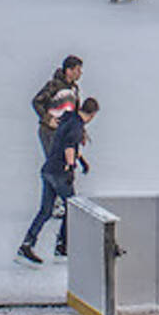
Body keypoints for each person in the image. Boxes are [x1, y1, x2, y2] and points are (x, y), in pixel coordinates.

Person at [18, 94, 99, 265]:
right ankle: (61, 247)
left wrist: (81, 160)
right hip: (60, 173)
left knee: (45, 210)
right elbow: (69, 147)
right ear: (92, 115)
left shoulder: (69, 118)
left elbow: (66, 142)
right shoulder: (77, 126)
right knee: (71, 207)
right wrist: (71, 168)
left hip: (48, 170)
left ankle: (26, 245)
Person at [31, 55, 83, 159]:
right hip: (50, 131)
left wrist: (80, 131)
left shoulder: (74, 89)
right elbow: (37, 102)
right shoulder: (55, 85)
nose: (80, 73)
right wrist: (48, 119)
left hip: (65, 131)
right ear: (68, 70)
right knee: (54, 162)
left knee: (65, 162)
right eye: (77, 70)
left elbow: (75, 112)